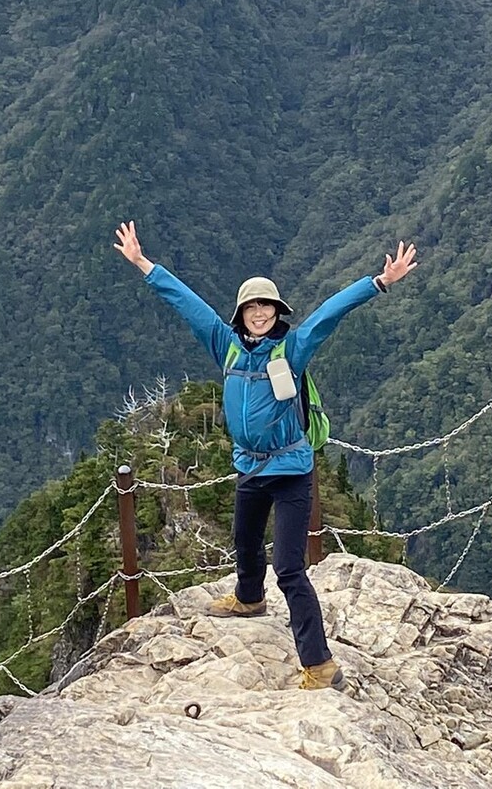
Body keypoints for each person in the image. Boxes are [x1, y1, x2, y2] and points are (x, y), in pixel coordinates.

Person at [113, 220, 417, 690]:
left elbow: (328, 315)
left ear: (277, 313)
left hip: (292, 469)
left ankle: (319, 664)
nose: (260, 313)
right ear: (241, 313)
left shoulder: (290, 350)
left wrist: (378, 283)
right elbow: (186, 304)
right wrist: (142, 264)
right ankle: (249, 598)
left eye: (267, 307)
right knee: (245, 540)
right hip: (251, 466)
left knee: (290, 568)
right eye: (252, 306)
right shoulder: (226, 347)